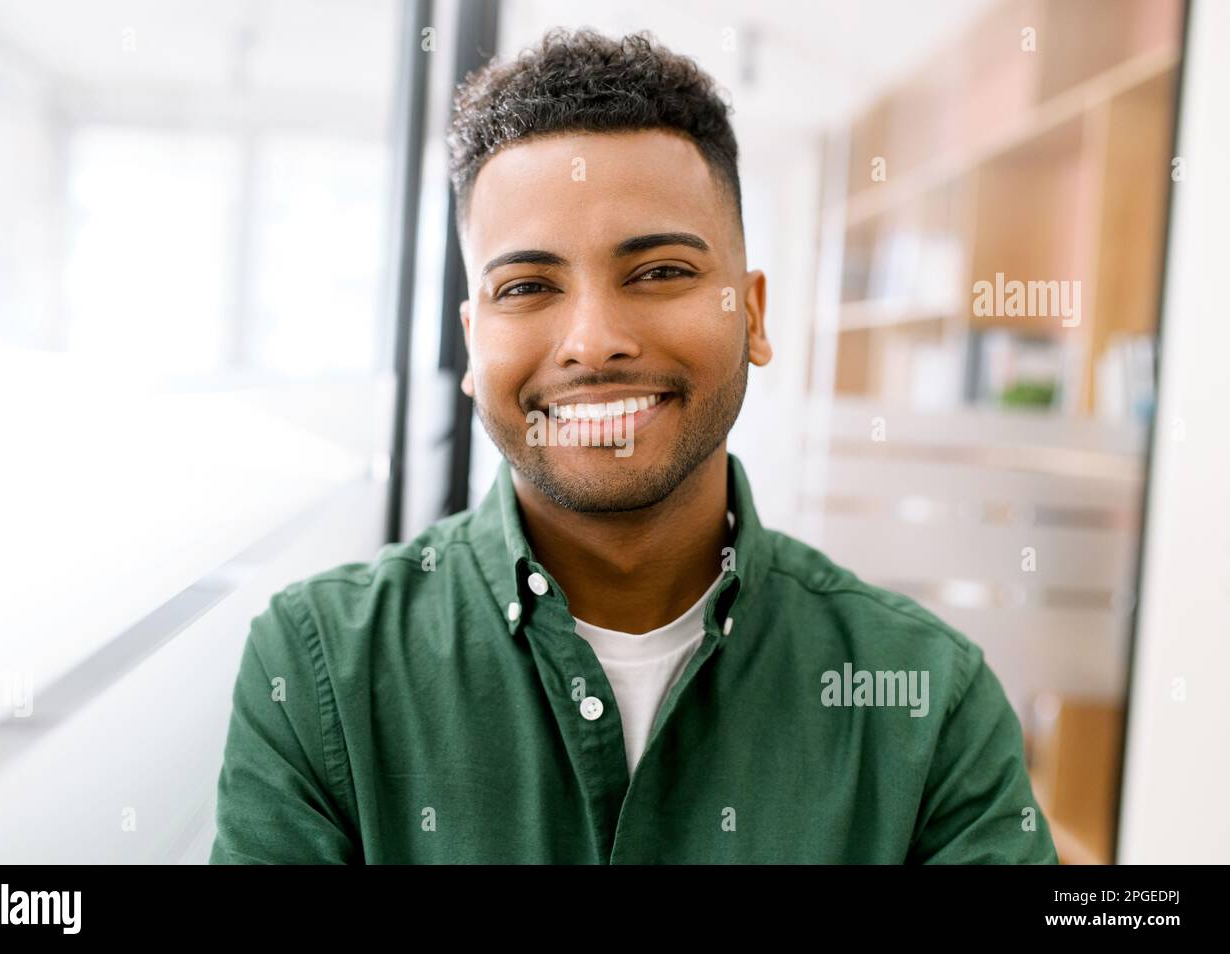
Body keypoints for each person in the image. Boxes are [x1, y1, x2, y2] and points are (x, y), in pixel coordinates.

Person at [209, 27, 1058, 864]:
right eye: (528, 286)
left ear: (753, 315)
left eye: (659, 273)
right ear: (473, 344)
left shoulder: (927, 699)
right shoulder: (318, 666)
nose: (594, 341)